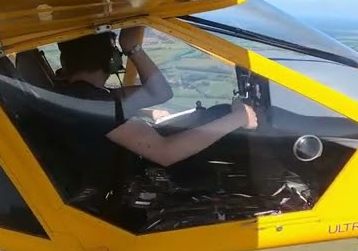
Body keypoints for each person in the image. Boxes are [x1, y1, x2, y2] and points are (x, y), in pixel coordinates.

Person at [54, 27, 258, 169]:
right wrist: (238, 117)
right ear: (112, 62)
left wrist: (146, 110)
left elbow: (159, 93)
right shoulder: (94, 104)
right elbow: (166, 153)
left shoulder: (80, 93)